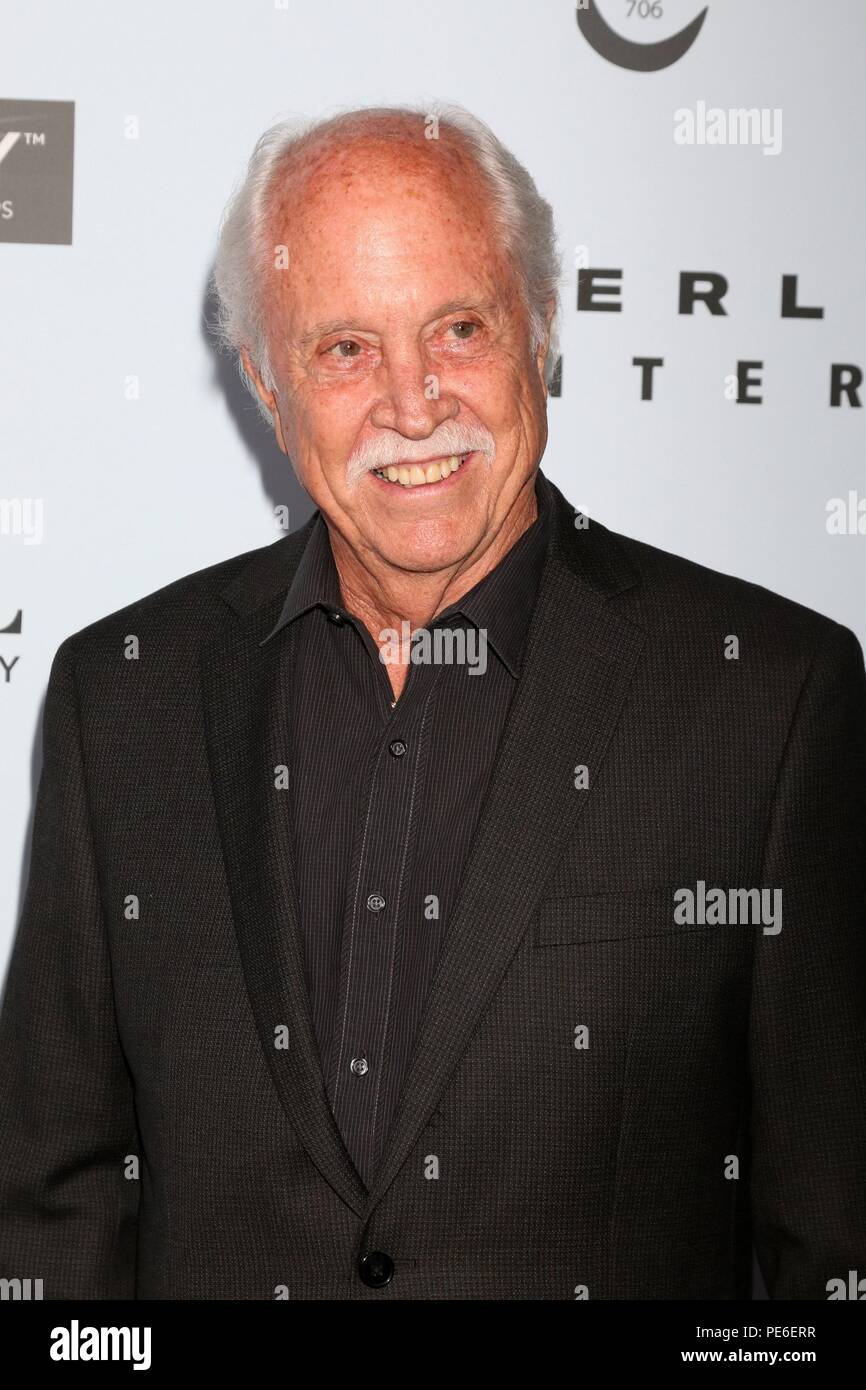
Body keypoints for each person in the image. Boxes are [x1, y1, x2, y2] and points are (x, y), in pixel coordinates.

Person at [1, 104, 864, 1300]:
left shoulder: (763, 698)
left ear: (541, 328)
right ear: (263, 383)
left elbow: (832, 1239)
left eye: (457, 328)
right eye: (343, 349)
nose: (412, 406)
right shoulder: (124, 696)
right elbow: (57, 1200)